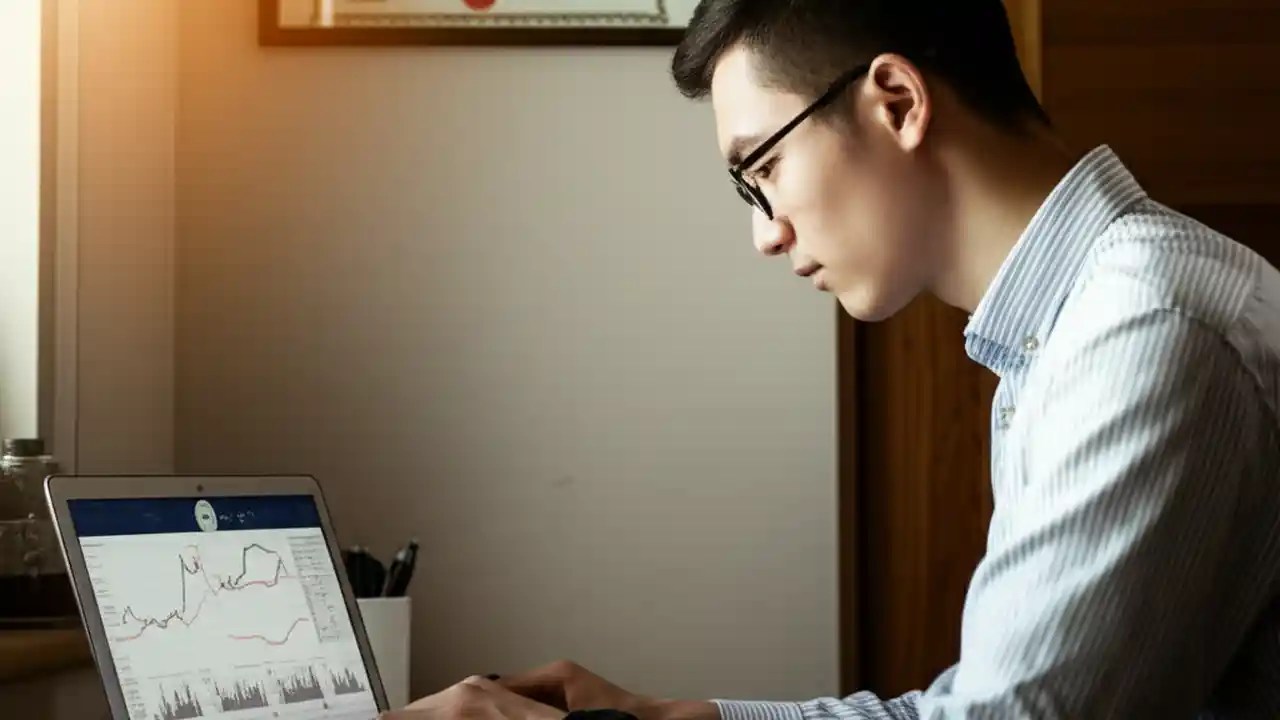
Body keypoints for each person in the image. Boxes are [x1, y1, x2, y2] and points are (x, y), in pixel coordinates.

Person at [386, 0, 1280, 717]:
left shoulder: (1144, 332)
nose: (763, 234)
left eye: (763, 169)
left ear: (897, 100)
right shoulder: (1081, 322)